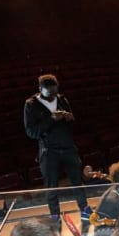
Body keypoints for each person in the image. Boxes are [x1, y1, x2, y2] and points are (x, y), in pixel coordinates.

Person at [23, 74, 92, 222]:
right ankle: (55, 215)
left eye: (55, 91)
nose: (53, 95)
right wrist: (51, 119)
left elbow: (73, 121)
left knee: (77, 180)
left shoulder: (62, 99)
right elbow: (31, 132)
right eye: (49, 92)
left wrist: (69, 117)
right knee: (52, 186)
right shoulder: (31, 104)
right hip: (49, 151)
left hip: (68, 147)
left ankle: (84, 209)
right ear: (40, 89)